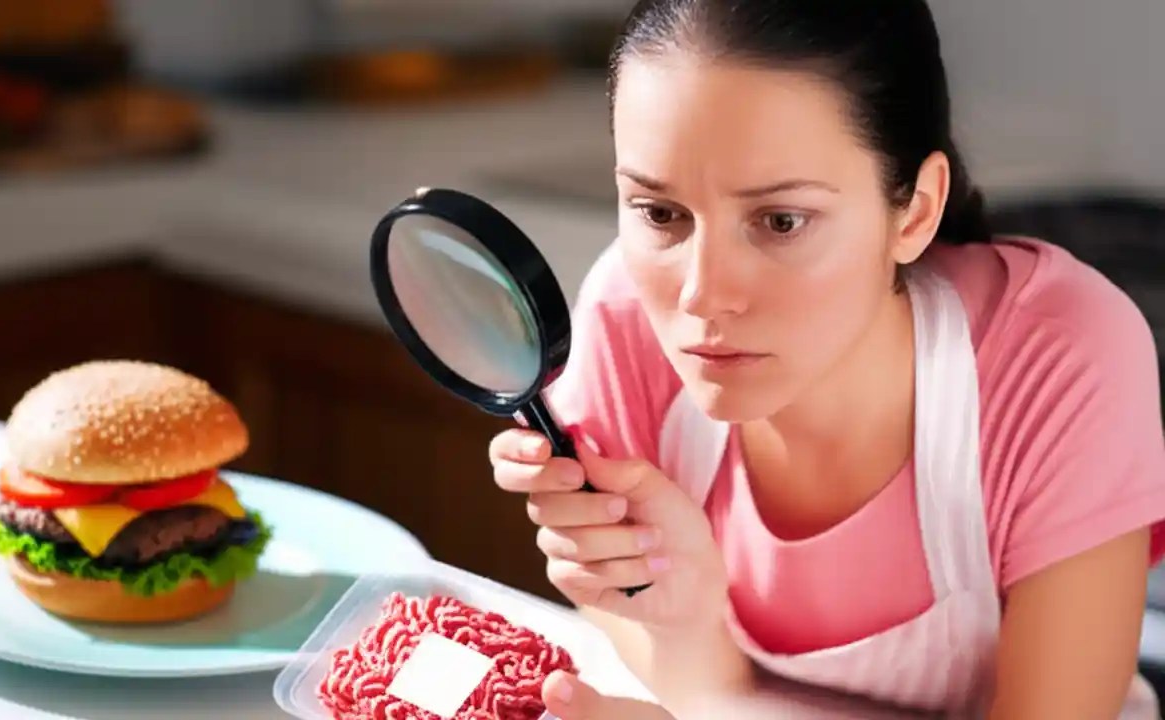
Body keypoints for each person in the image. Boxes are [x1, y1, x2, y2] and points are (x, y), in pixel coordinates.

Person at [487, 1, 1165, 718]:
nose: (702, 295)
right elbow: (712, 695)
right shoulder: (622, 318)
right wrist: (681, 618)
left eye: (781, 222)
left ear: (915, 210)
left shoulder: (1060, 353)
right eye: (660, 214)